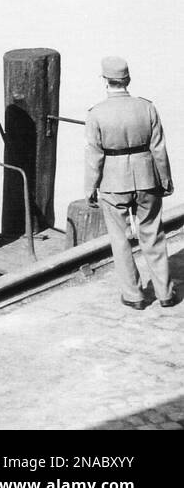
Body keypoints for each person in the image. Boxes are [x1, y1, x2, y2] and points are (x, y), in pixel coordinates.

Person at [85, 56, 178, 309]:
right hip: (147, 178)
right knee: (153, 234)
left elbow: (94, 154)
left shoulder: (96, 113)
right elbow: (158, 148)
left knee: (120, 239)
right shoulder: (147, 107)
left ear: (105, 80)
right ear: (128, 79)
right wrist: (166, 180)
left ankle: (134, 296)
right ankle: (165, 293)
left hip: (113, 183)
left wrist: (90, 187)